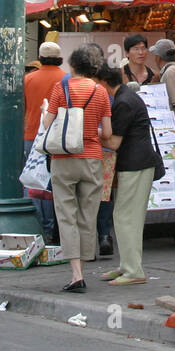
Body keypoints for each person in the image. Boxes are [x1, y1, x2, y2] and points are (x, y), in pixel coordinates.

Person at [48, 44, 113, 292]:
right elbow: (106, 133)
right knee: (88, 215)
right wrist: (88, 131)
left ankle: (75, 273)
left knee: (66, 214)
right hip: (93, 158)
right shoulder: (101, 92)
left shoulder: (61, 88)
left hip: (63, 158)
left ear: (72, 65)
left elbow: (48, 123)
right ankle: (84, 267)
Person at [97, 65, 162, 285]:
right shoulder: (126, 97)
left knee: (126, 217)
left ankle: (134, 271)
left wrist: (88, 132)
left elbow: (114, 141)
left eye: (97, 83)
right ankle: (127, 265)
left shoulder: (123, 102)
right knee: (126, 217)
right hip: (137, 164)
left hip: (136, 165)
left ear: (105, 82)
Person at [24, 41, 65, 240]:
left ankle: (34, 224)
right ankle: (50, 227)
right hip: (57, 137)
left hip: (32, 134)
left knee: (32, 179)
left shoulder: (28, 79)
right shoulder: (65, 79)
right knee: (52, 182)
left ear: (40, 58)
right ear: (60, 58)